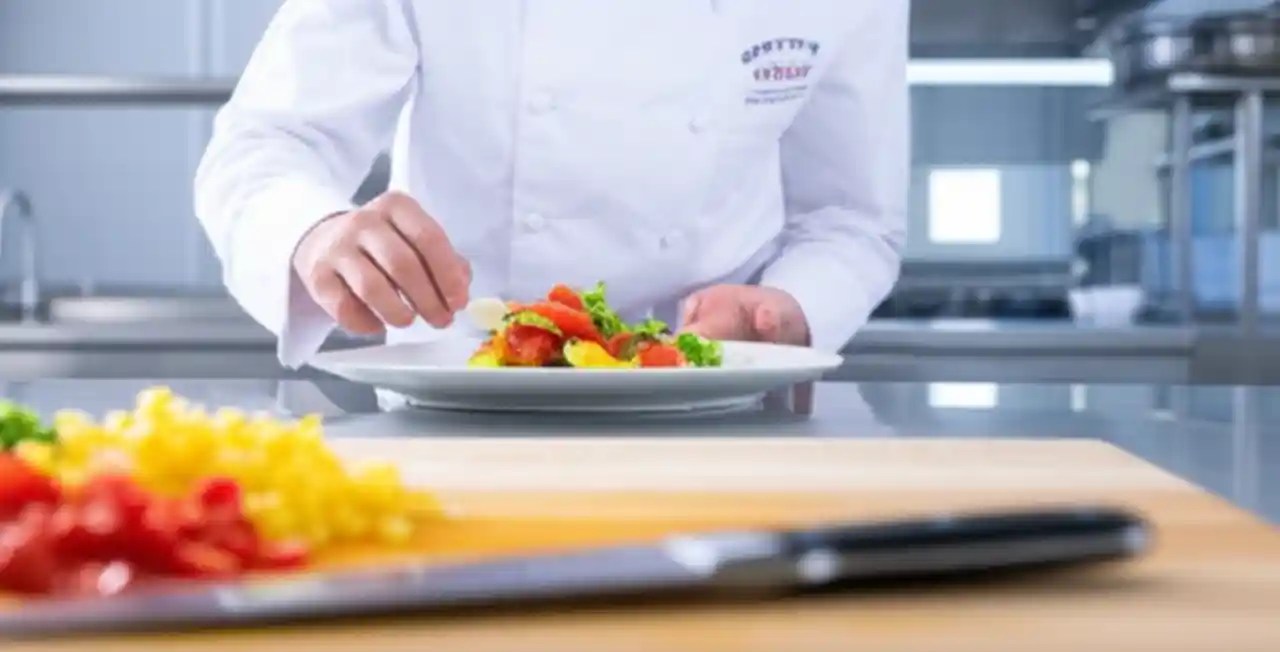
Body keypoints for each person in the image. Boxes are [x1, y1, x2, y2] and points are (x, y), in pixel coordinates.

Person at [194, 1, 909, 411]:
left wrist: (787, 307)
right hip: (459, 412)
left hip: (716, 410)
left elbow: (851, 219)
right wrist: (316, 235)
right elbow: (262, 147)